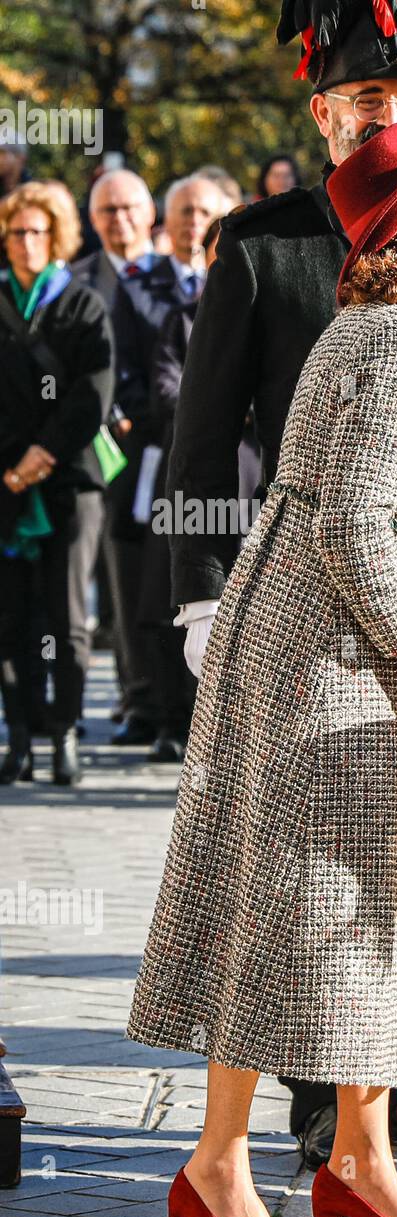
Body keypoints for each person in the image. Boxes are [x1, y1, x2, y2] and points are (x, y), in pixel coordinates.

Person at [126, 118, 397, 1217]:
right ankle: (217, 1164)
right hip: (331, 653)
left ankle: (358, 1158)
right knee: (292, 912)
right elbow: (355, 516)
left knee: (356, 917)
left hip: (322, 642)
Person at [164, 0, 397, 1166]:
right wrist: (199, 594)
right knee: (314, 855)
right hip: (312, 588)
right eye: (369, 102)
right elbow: (203, 440)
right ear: (322, 112)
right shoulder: (263, 241)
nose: (392, 116)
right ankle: (315, 1107)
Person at [0, 181, 115, 785]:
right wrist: (11, 465)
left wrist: (42, 455)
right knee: (11, 617)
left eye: (38, 231)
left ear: (58, 237)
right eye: (17, 231)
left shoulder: (81, 305)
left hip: (71, 479)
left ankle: (65, 734)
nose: (27, 242)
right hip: (5, 481)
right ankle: (18, 737)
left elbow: (93, 391)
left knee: (68, 620)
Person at [119, 174, 232, 763]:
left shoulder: (255, 313)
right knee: (171, 596)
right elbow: (167, 389)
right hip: (180, 475)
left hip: (248, 479)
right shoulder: (180, 317)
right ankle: (167, 718)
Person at [72, 168, 161, 744]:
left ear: (148, 212)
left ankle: (160, 698)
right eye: (106, 211)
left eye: (129, 208)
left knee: (160, 578)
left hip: (163, 445)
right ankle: (134, 695)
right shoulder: (77, 281)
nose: (119, 220)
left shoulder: (178, 275)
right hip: (97, 451)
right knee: (114, 577)